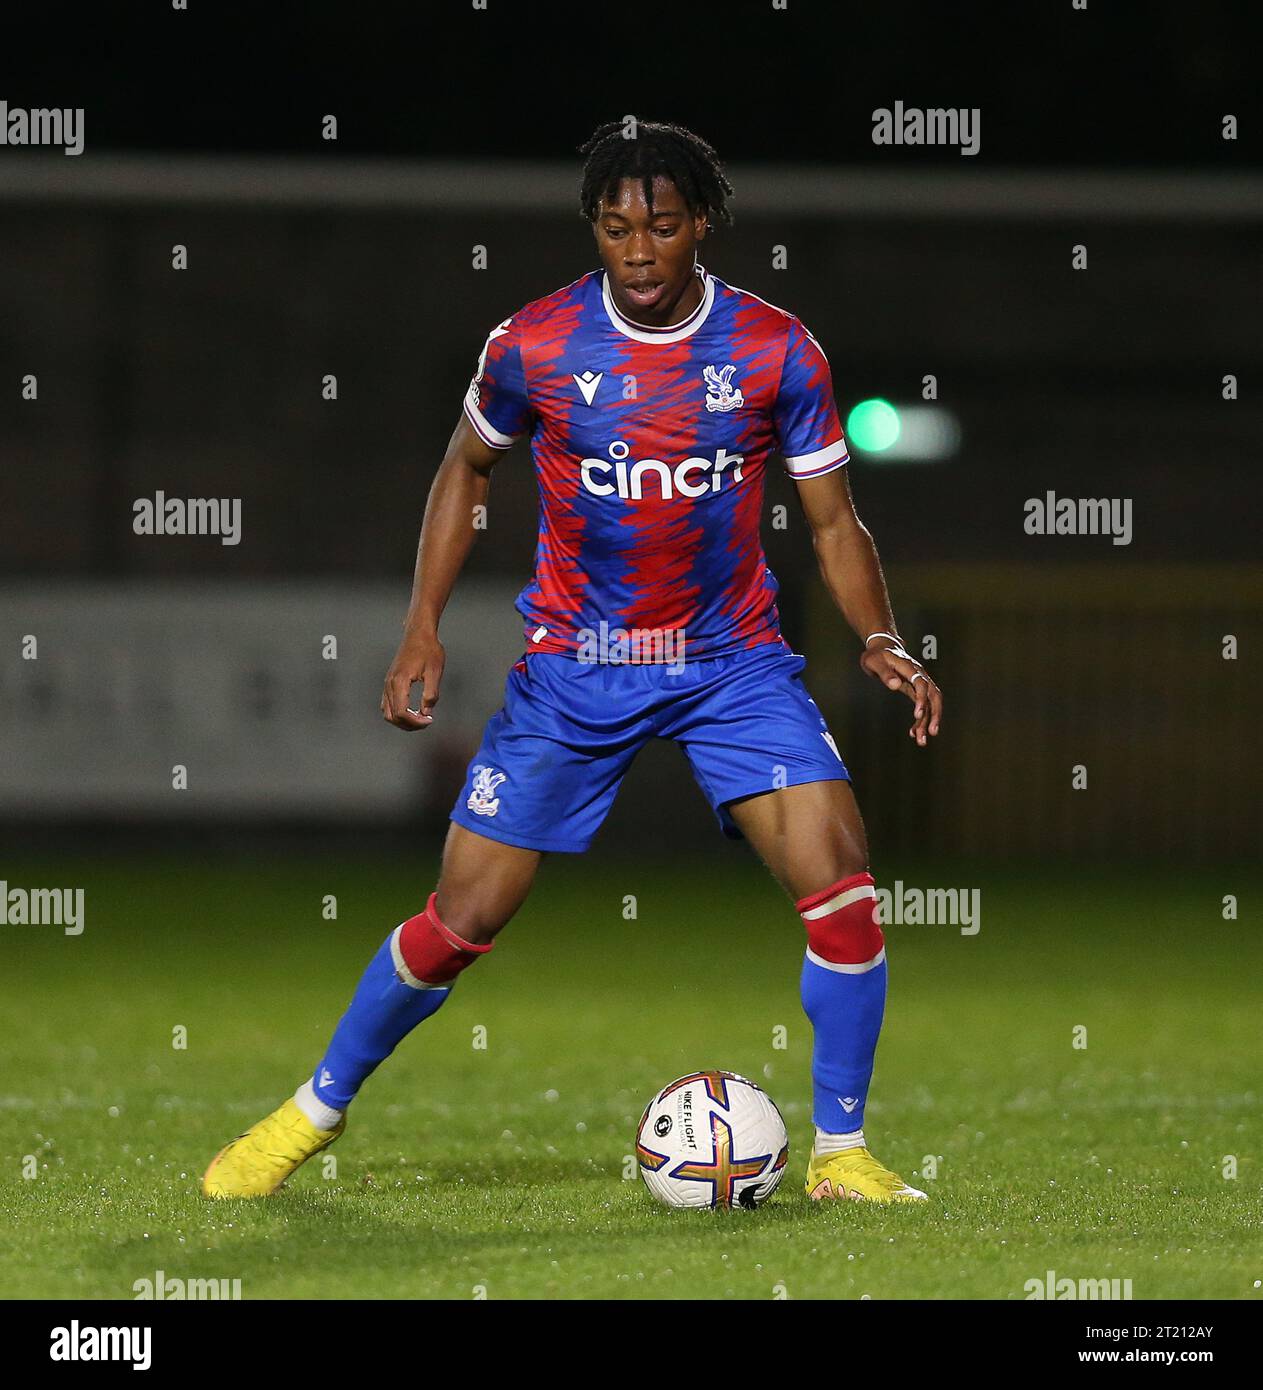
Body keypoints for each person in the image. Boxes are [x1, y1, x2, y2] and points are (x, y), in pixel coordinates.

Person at [202, 118, 943, 1205]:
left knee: (842, 884)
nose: (638, 249)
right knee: (462, 919)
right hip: (578, 666)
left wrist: (878, 632)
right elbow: (465, 469)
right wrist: (424, 623)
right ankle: (310, 1113)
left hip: (731, 661)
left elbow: (834, 522)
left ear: (703, 225)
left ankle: (841, 1153)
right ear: (594, 230)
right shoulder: (534, 346)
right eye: (614, 227)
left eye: (662, 224)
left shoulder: (777, 349)